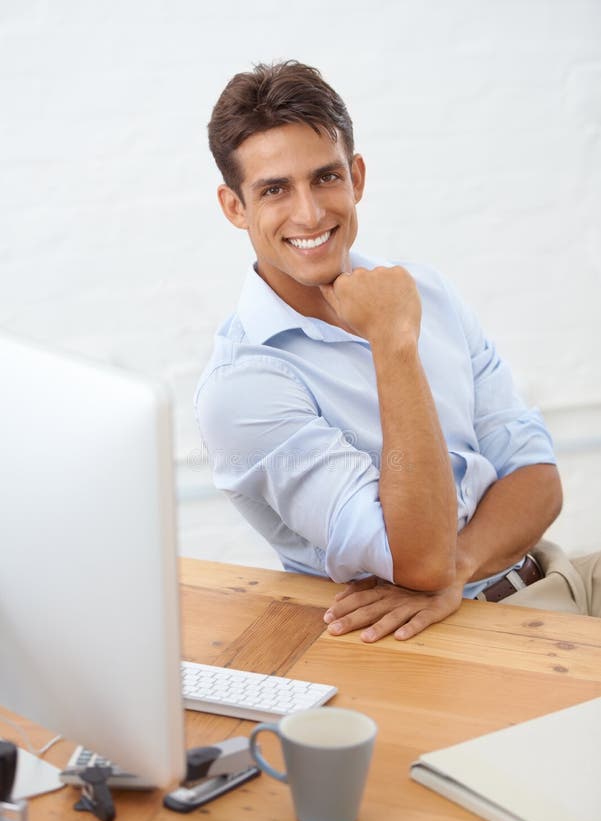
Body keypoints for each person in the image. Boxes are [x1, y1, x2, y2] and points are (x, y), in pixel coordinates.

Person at [195, 60, 601, 642]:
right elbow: (419, 560)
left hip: (552, 574)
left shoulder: (424, 290)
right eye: (275, 190)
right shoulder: (244, 386)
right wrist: (392, 343)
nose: (309, 213)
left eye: (326, 178)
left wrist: (456, 570)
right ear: (235, 207)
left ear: (356, 177)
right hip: (438, 640)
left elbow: (538, 478)